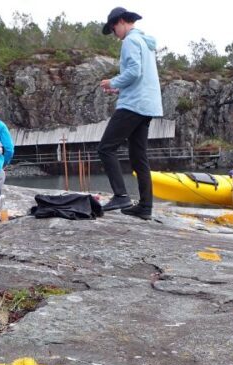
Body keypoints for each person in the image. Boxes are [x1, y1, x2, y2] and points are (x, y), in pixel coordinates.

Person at [98, 6, 163, 221]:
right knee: (138, 156)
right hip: (147, 105)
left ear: (122, 21)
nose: (114, 34)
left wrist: (113, 82)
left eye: (113, 27)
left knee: (106, 148)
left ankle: (121, 196)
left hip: (133, 105)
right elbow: (140, 76)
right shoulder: (145, 42)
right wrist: (119, 87)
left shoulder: (130, 41)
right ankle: (145, 206)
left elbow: (134, 72)